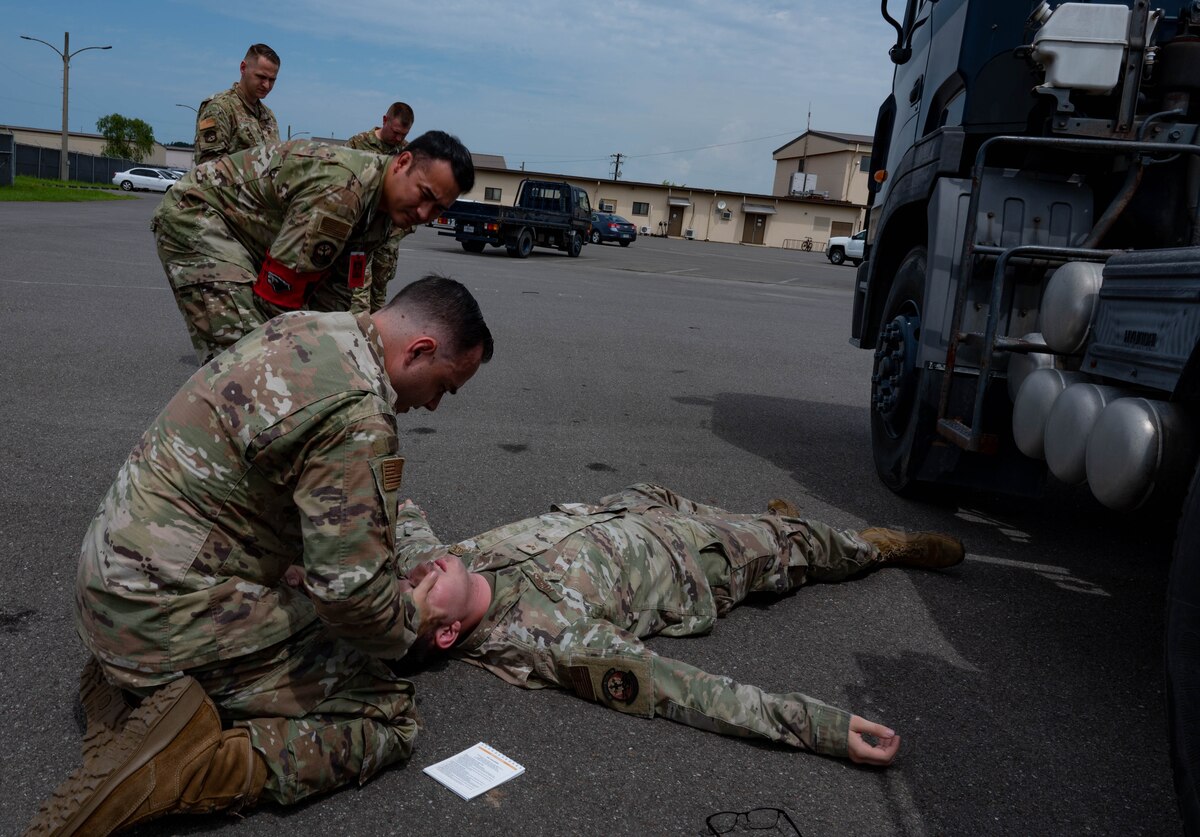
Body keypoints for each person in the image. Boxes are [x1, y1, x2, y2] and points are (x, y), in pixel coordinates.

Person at [25, 276, 494, 836]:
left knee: (299, 603)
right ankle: (190, 768)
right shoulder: (360, 416)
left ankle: (138, 691)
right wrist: (412, 618)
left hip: (108, 581)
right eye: (446, 385)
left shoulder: (303, 329)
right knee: (385, 713)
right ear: (420, 350)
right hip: (157, 619)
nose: (437, 404)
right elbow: (353, 601)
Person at [393, 485, 966, 766]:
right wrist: (820, 728)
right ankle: (879, 549)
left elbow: (394, 507)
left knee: (761, 524)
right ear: (446, 635)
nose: (420, 571)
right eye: (420, 589)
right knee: (803, 546)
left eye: (404, 580)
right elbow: (682, 690)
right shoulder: (548, 638)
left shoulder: (445, 562)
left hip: (641, 506)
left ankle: (777, 525)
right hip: (705, 559)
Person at [152, 130, 474, 365]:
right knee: (245, 357)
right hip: (198, 215)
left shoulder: (384, 214)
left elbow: (331, 300)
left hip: (247, 237)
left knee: (294, 359)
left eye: (437, 209)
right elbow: (277, 298)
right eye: (424, 195)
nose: (423, 213)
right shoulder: (343, 190)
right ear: (403, 162)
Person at [346, 102, 417, 314]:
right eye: (395, 132)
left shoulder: (407, 151)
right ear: (385, 120)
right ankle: (358, 334)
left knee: (379, 292)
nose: (398, 138)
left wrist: (400, 230)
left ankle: (377, 336)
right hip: (361, 234)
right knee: (358, 292)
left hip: (388, 235)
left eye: (403, 134)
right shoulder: (358, 144)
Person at [193, 43, 281, 165]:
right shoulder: (219, 108)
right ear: (243, 68)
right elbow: (209, 169)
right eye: (261, 77)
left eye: (272, 80)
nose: (266, 85)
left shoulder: (268, 116)